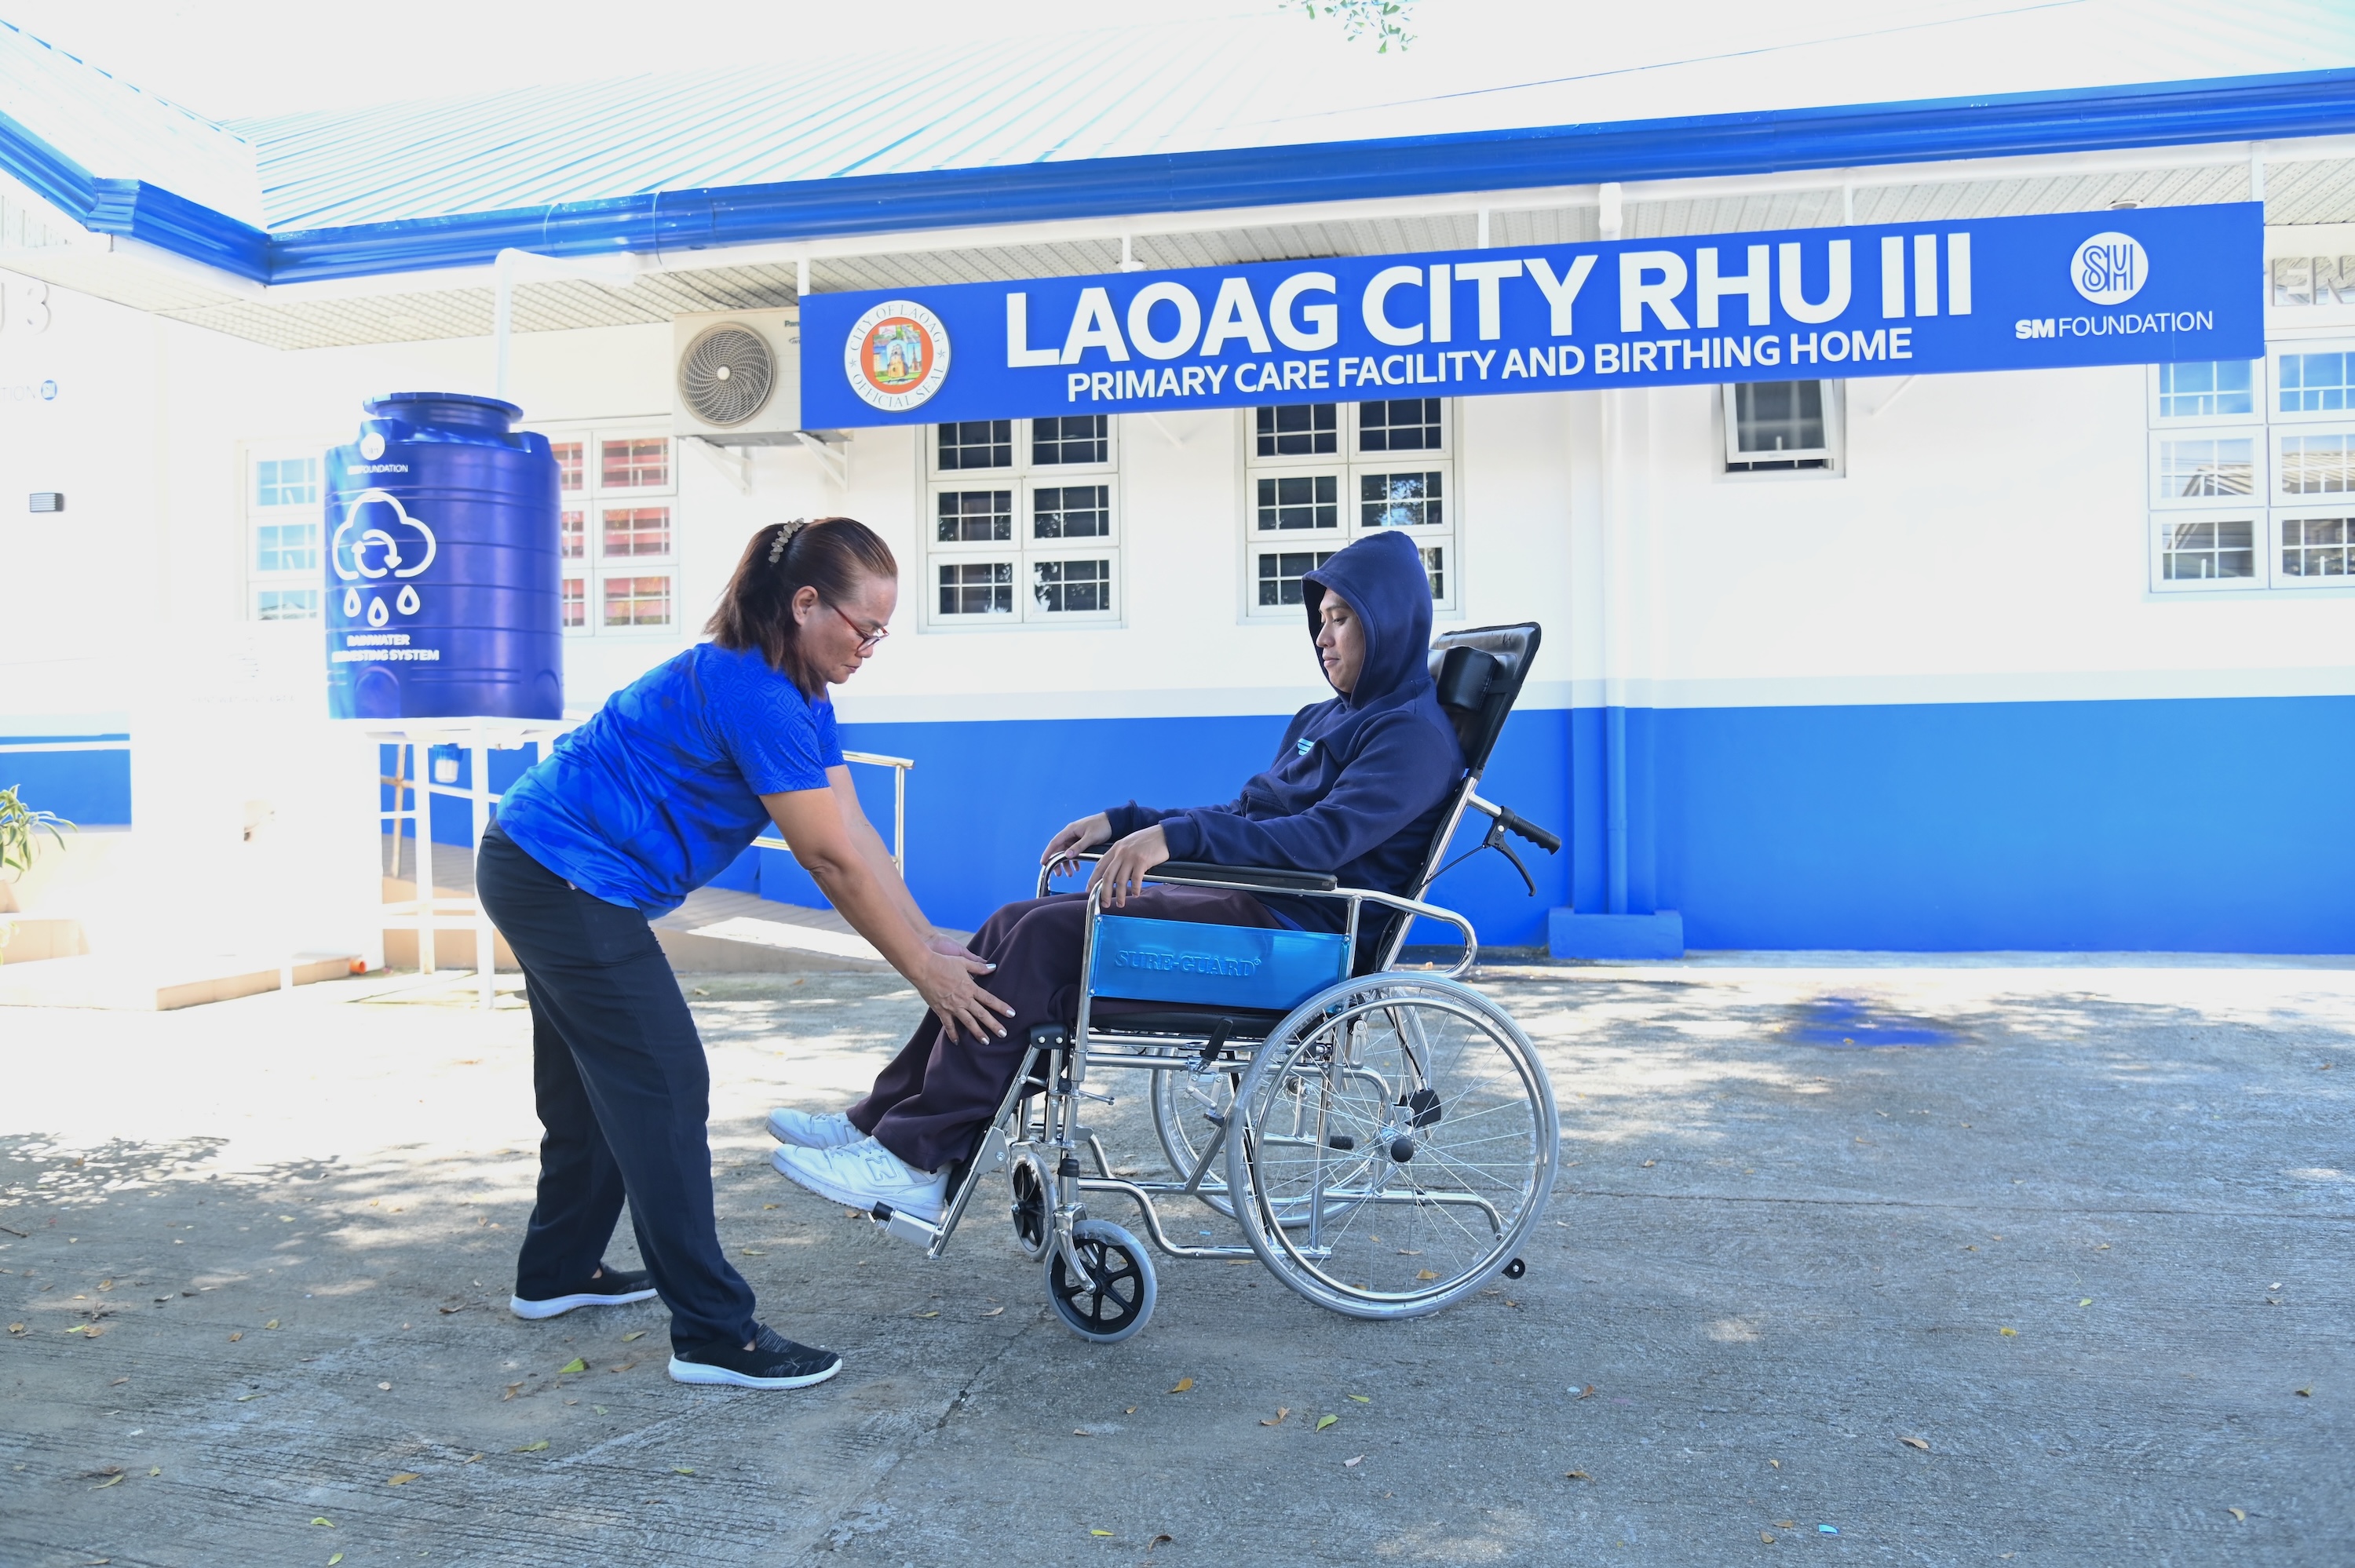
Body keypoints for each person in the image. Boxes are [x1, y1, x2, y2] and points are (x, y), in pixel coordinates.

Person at [767, 528, 1464, 1220]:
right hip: (1255, 909)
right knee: (1010, 923)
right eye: (1321, 621)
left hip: (1298, 942)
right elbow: (1246, 812)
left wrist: (1176, 837)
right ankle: (881, 1120)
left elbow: (1321, 841)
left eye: (1342, 619)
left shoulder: (1411, 737)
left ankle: (916, 1159)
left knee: (1044, 946)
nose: (1324, 636)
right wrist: (1126, 821)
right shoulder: (1328, 719)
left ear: (1390, 619)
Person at [477, 516, 1013, 1392]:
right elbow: (828, 859)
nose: (872, 646)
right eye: (862, 626)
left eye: (884, 631)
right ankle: (714, 1333)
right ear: (805, 603)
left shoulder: (801, 690)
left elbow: (856, 831)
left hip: (546, 867)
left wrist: (929, 939)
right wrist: (924, 975)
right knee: (662, 1082)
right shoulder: (754, 689)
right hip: (561, 876)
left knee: (592, 1087)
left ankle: (558, 1272)